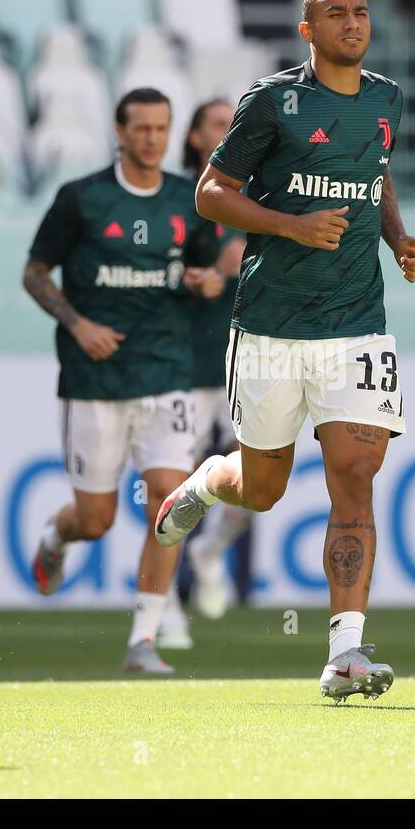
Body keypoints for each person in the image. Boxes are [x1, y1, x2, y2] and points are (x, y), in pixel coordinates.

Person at [154, 0, 415, 702]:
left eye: (361, 12)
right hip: (272, 325)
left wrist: (397, 239)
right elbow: (210, 193)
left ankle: (346, 654)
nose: (352, 23)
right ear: (308, 30)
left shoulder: (386, 99)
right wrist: (290, 226)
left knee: (356, 476)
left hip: (356, 327)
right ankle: (209, 482)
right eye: (335, 14)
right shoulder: (272, 102)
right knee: (263, 489)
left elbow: (377, 173)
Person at [22, 88, 221, 674]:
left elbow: (200, 269)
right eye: (142, 129)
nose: (153, 139)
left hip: (166, 371)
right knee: (97, 520)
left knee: (169, 501)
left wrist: (203, 283)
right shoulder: (81, 198)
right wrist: (78, 324)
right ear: (119, 130)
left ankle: (144, 640)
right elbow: (34, 273)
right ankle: (57, 539)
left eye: (162, 128)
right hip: (95, 378)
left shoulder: (190, 199)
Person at [180, 98, 252, 623]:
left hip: (246, 355)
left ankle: (210, 552)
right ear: (194, 138)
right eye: (217, 125)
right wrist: (201, 277)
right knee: (171, 477)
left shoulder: (258, 196)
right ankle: (166, 607)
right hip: (185, 359)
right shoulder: (179, 200)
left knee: (256, 475)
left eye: (235, 124)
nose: (229, 132)